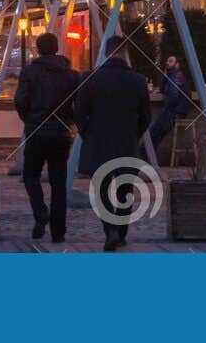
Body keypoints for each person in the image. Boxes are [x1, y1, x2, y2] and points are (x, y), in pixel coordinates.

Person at [75, 36, 151, 252]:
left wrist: (88, 134)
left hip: (98, 140)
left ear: (106, 53)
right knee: (125, 188)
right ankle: (121, 230)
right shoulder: (137, 80)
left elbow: (80, 113)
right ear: (124, 52)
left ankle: (110, 230)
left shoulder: (90, 78)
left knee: (101, 189)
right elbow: (146, 115)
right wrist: (134, 134)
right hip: (126, 140)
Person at [13, 32, 79, 244]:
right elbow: (77, 103)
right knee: (58, 181)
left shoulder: (30, 72)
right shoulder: (70, 75)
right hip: (60, 133)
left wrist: (30, 120)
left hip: (37, 130)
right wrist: (69, 120)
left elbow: (20, 100)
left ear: (39, 49)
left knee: (31, 175)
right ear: (57, 47)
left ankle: (41, 213)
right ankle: (58, 230)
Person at [148, 54, 192, 152]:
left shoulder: (176, 76)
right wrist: (165, 76)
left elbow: (173, 97)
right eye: (167, 61)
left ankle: (144, 158)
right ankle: (146, 158)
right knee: (155, 135)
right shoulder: (172, 76)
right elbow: (163, 89)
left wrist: (167, 110)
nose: (167, 63)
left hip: (175, 112)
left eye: (171, 61)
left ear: (177, 65)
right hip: (176, 111)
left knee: (153, 134)